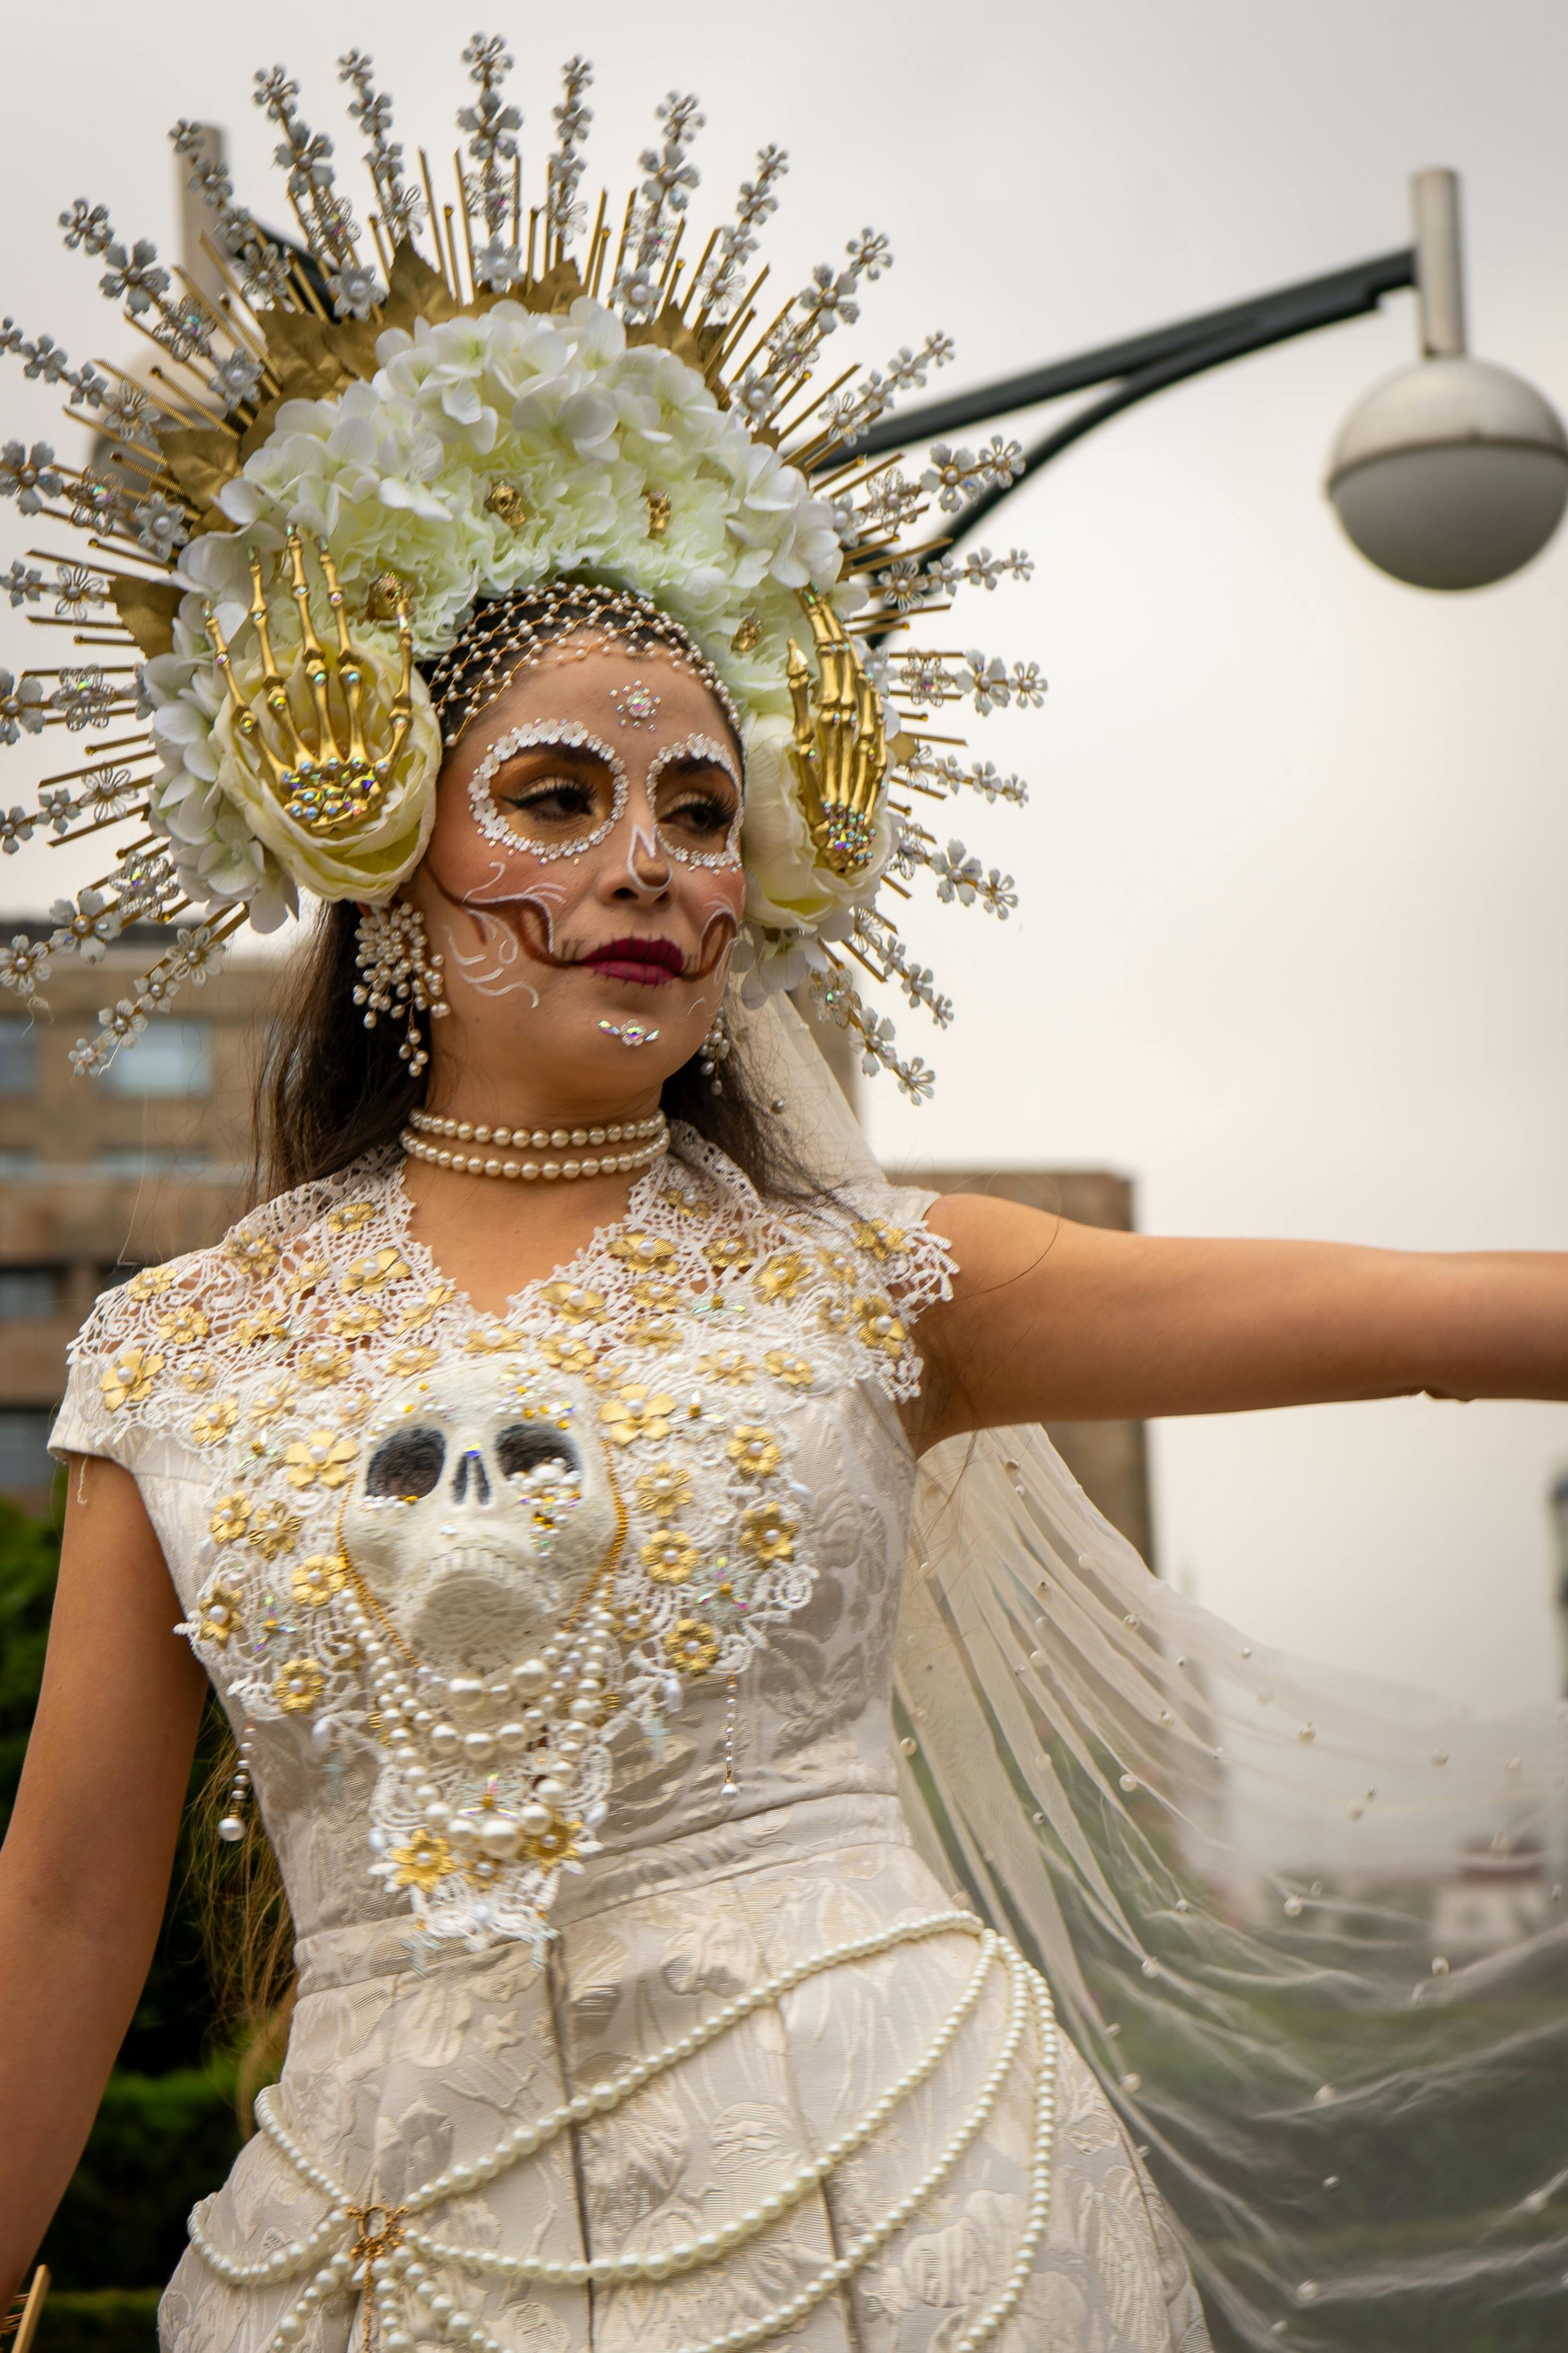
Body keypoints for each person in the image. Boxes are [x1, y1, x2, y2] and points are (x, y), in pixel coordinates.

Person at [0, 42, 1563, 2353]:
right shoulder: (186, 1358)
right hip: (367, 2268)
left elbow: (1432, 1306)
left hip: (902, 2236)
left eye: (705, 809)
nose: (650, 861)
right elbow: (60, 1899)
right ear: (374, 840)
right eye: (557, 791)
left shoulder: (877, 1284)